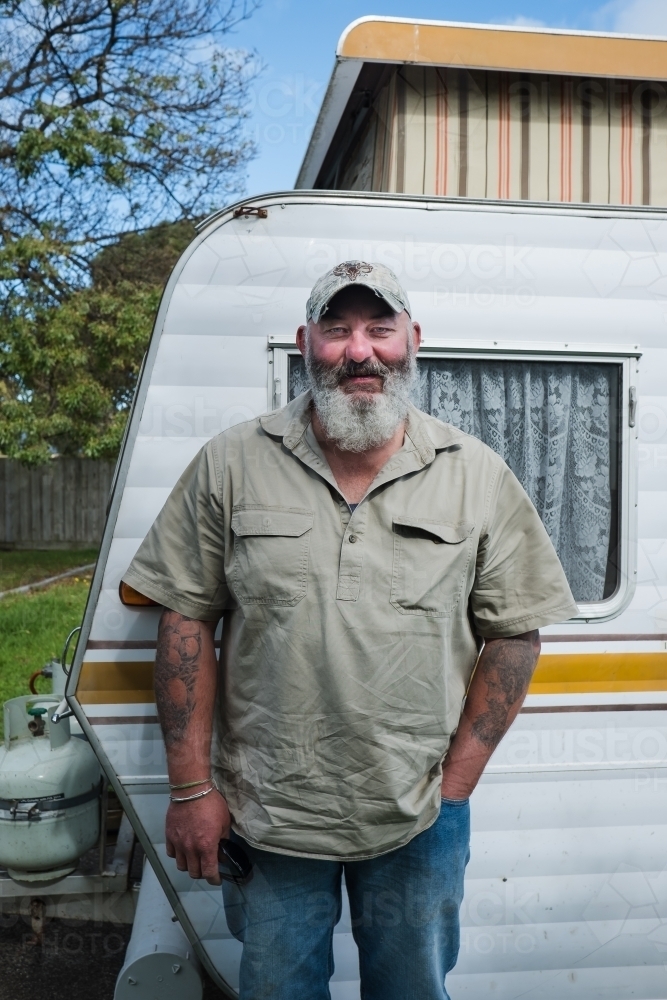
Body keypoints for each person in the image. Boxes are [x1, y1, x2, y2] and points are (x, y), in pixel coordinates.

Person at [123, 260, 578, 1000]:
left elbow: (515, 637)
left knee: (411, 993)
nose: (359, 350)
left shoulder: (475, 473)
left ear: (413, 340)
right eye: (336, 330)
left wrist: (454, 788)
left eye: (378, 328)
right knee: (276, 992)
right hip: (266, 814)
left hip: (418, 818)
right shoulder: (231, 464)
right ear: (306, 343)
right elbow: (183, 622)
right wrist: (190, 788)